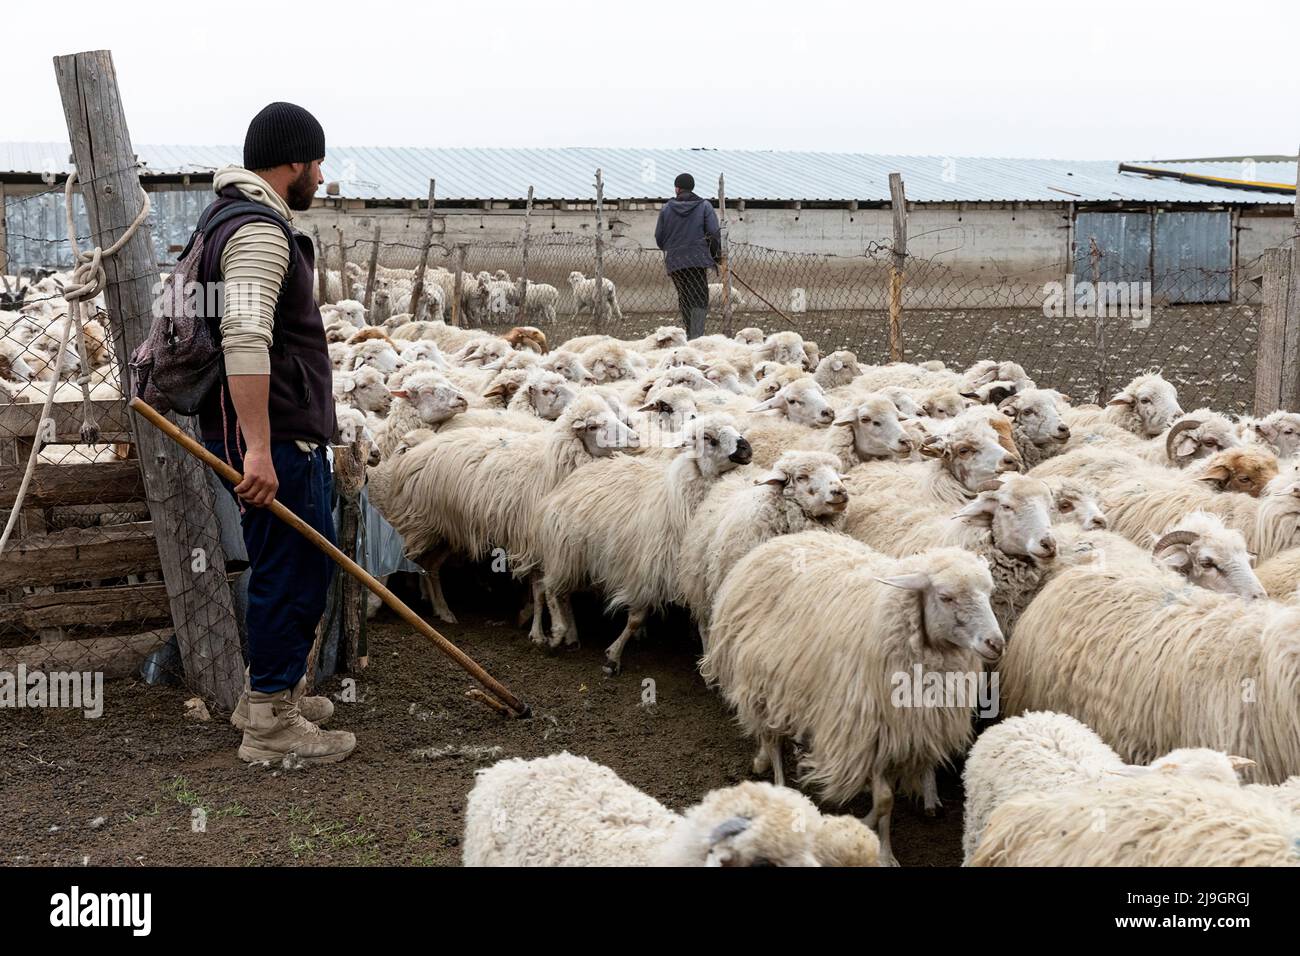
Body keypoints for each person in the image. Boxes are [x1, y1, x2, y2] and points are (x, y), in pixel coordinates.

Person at [195, 102, 355, 765]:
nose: (320, 175)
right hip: (271, 435)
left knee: (292, 564)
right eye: (317, 162)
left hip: (276, 431)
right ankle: (270, 730)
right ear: (295, 161)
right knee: (290, 570)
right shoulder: (259, 233)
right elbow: (244, 337)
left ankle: (271, 695)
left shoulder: (232, 219)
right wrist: (259, 446)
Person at [654, 173, 720, 339]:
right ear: (692, 187)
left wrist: (671, 249)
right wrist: (716, 256)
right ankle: (696, 335)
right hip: (697, 261)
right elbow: (713, 233)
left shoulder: (667, 208)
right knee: (699, 297)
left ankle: (690, 332)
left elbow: (659, 237)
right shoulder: (704, 206)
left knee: (684, 297)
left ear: (677, 188)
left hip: (676, 262)